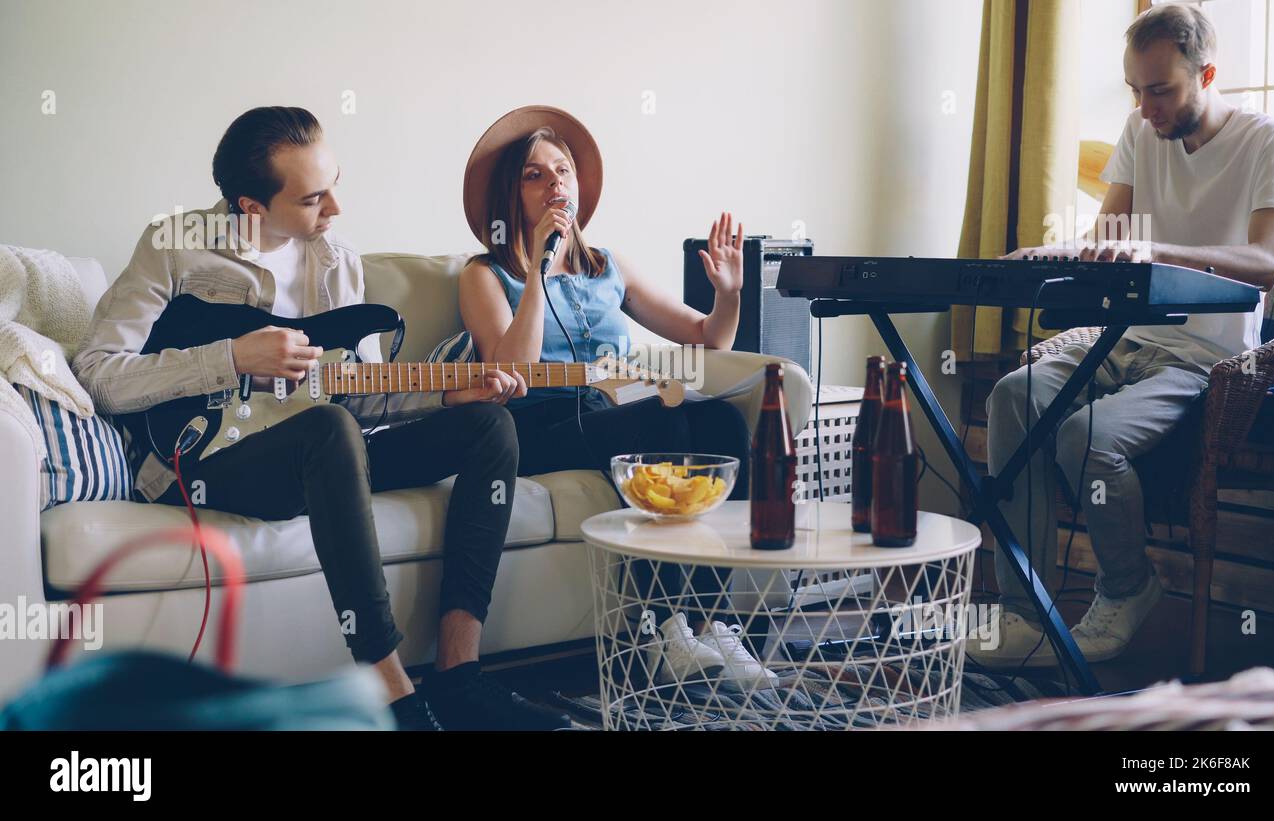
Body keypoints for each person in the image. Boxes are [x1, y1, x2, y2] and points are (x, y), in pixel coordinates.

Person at [72, 106, 571, 730]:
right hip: (206, 459)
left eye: (336, 183)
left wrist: (450, 393)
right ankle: (392, 694)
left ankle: (459, 675)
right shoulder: (173, 244)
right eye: (313, 198)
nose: (334, 209)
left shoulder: (336, 261)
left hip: (331, 454)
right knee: (329, 429)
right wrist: (230, 358)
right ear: (252, 207)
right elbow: (98, 371)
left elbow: (358, 392)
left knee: (489, 426)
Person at [972, 4, 1274, 667]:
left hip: (1205, 356)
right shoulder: (1138, 130)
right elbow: (1106, 243)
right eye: (1134, 89)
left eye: (1161, 90)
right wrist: (1047, 255)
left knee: (1084, 436)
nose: (1145, 108)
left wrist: (1159, 251)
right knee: (1012, 395)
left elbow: (1267, 262)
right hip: (1120, 341)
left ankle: (1128, 587)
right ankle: (1022, 610)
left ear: (1207, 74)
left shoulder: (1269, 141)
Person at [457, 105, 777, 689]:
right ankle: (662, 628)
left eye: (564, 170)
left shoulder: (609, 267)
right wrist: (537, 269)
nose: (557, 183)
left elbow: (707, 337)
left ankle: (712, 625)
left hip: (618, 412)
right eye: (536, 175)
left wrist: (727, 293)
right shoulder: (484, 274)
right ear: (512, 195)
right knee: (662, 422)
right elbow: (511, 368)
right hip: (537, 425)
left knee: (724, 426)